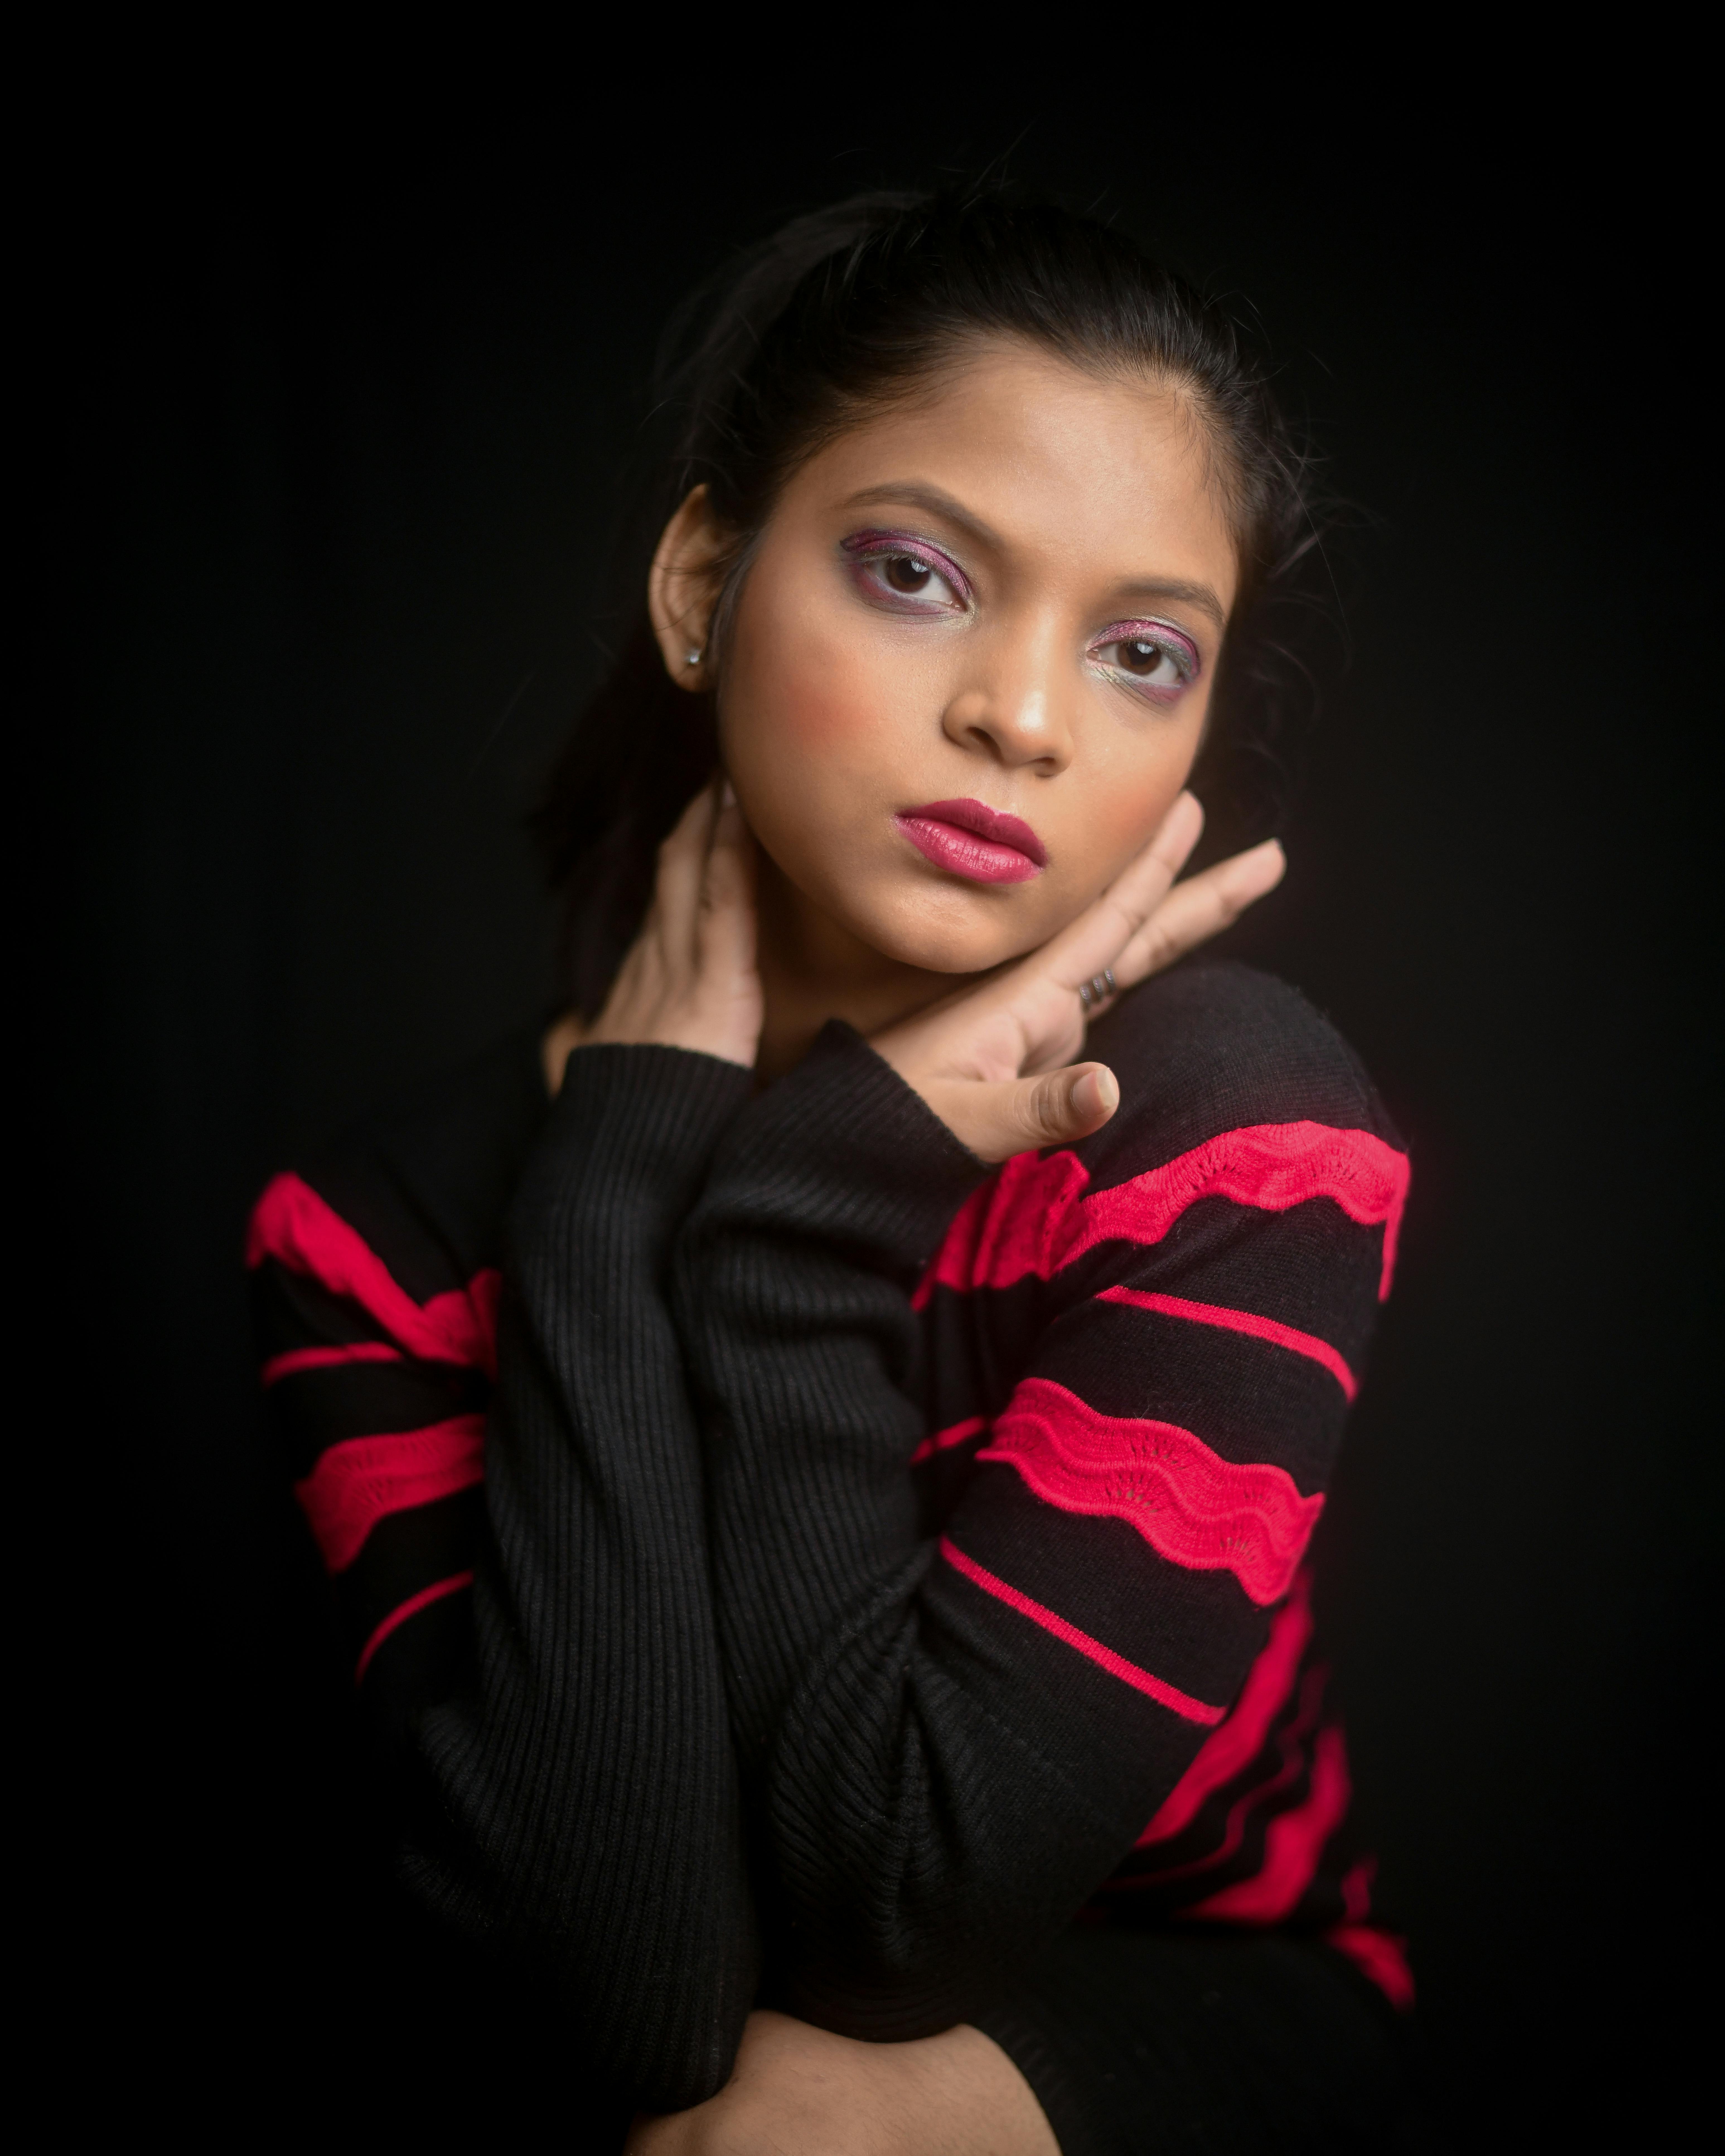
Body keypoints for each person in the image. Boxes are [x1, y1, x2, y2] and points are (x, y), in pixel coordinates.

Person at [251, 190, 1417, 2152]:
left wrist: (799, 1214)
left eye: (1142, 651)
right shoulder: (371, 1238)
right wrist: (618, 1182)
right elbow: (611, 1985)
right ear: (706, 576)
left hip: (1208, 2002)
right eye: (916, 573)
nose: (1022, 717)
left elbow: (898, 1919)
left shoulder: (1237, 1133)